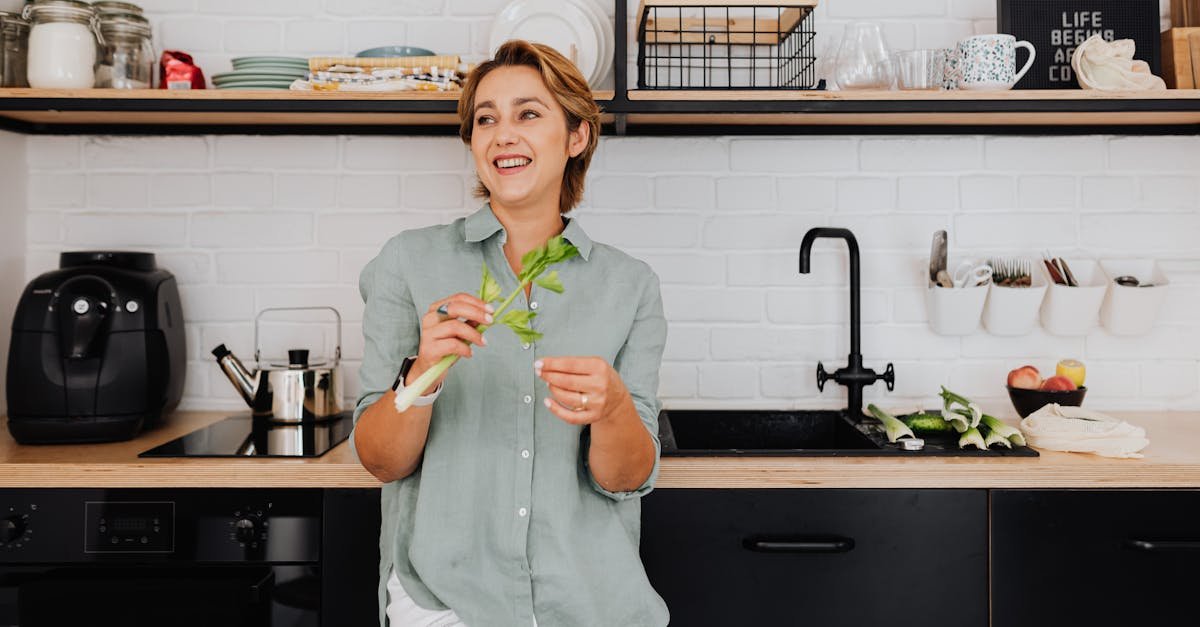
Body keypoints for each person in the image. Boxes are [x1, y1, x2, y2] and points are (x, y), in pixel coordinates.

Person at [351, 39, 670, 627]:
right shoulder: (407, 262)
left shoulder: (630, 285)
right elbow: (380, 461)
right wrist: (424, 373)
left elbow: (627, 478)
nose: (503, 134)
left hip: (590, 602)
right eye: (486, 119)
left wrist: (615, 407)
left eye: (529, 113)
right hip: (445, 604)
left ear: (577, 138)